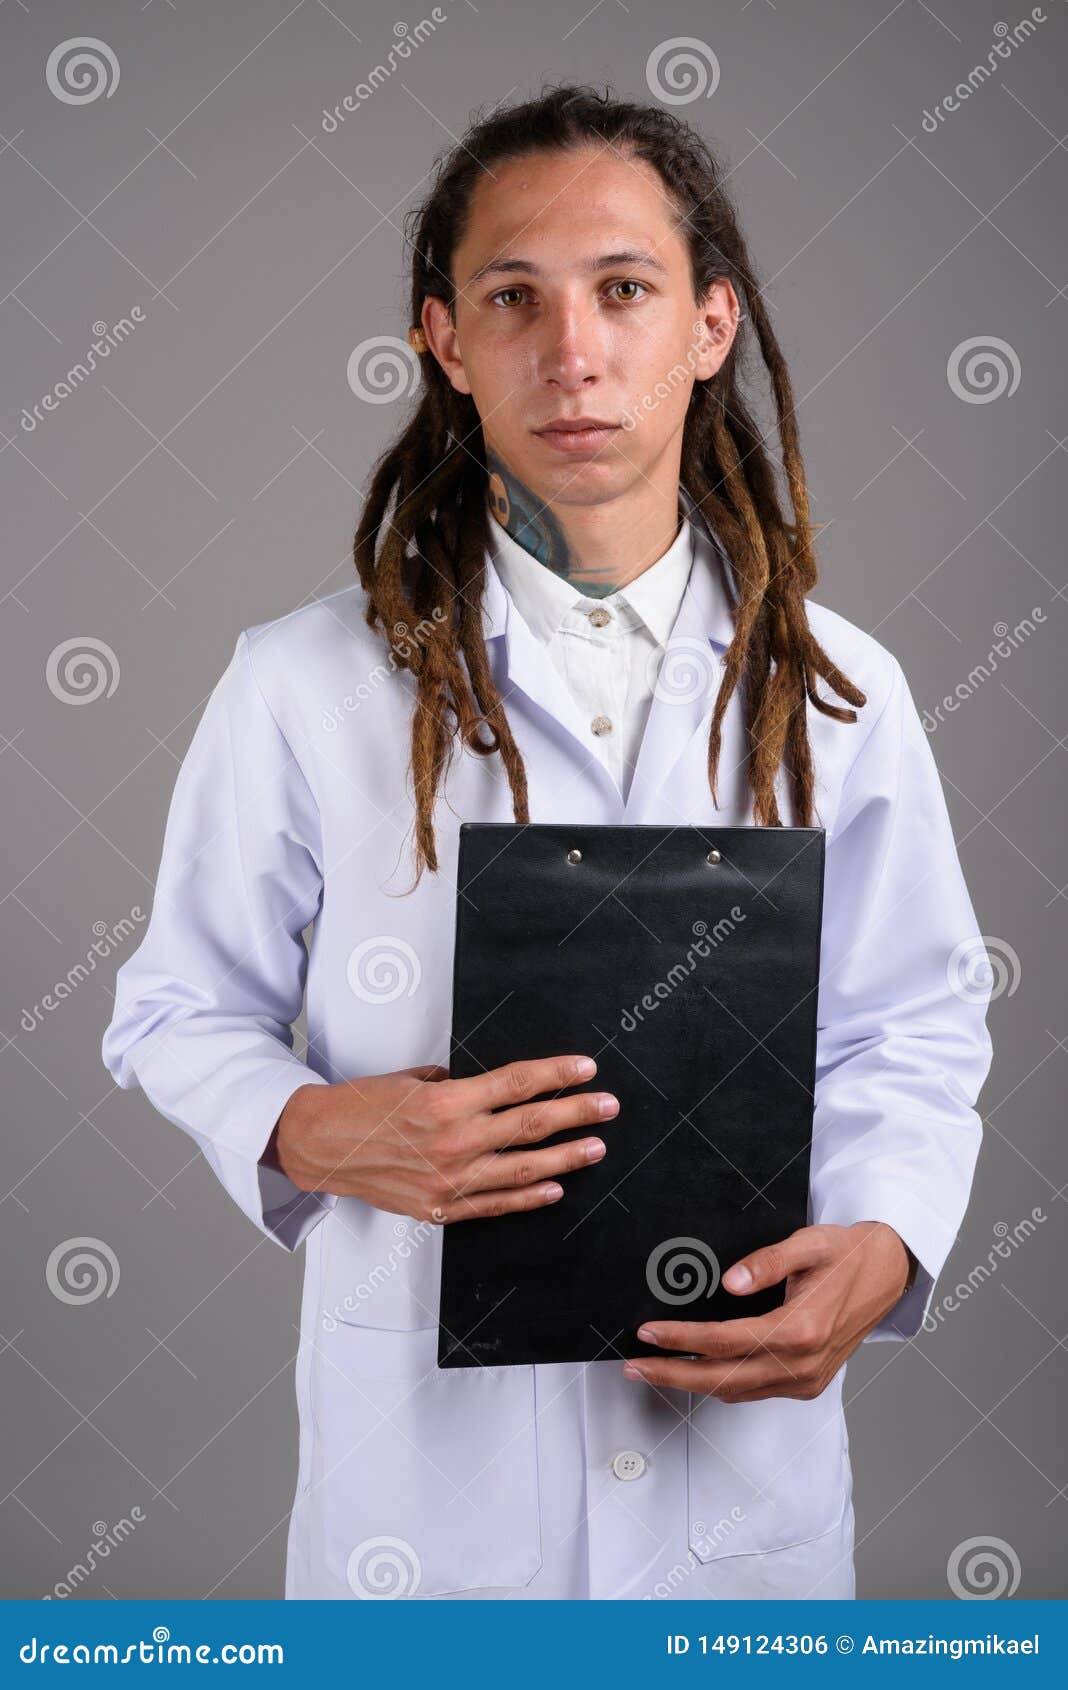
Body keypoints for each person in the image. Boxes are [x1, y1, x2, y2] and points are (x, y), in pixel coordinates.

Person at [101, 84, 993, 1601]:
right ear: (444, 341)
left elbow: (915, 1018)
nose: (571, 354)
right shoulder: (303, 684)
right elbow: (175, 1007)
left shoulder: (838, 691)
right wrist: (311, 1126)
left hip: (738, 1518)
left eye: (624, 291)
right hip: (426, 1521)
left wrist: (891, 1243)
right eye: (512, 298)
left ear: (710, 325)